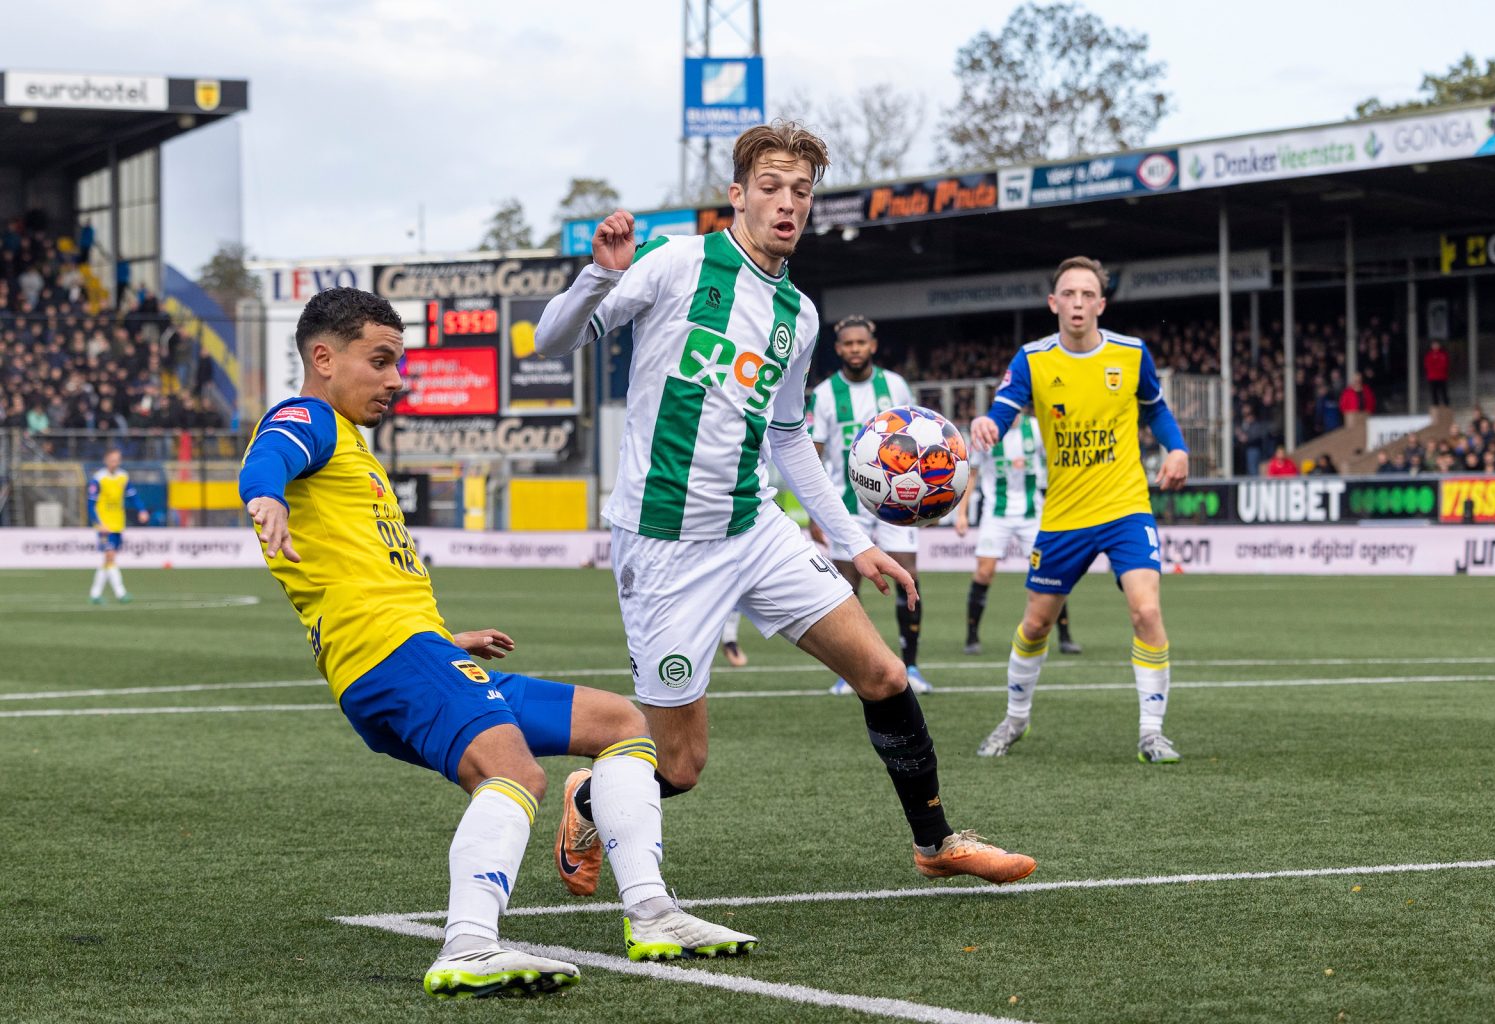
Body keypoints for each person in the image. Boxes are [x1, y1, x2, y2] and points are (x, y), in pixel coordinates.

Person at [535, 120, 1035, 889]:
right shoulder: (676, 262)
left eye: (800, 191)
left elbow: (789, 435)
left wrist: (856, 543)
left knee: (884, 674)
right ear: (737, 196)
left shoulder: (797, 316)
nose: (787, 203)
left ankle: (936, 844)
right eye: (771, 187)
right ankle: (588, 798)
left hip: (754, 527)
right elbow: (551, 341)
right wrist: (598, 277)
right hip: (664, 544)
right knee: (681, 765)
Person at [239, 288, 754, 1001]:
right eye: (380, 361)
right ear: (323, 358)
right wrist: (264, 493)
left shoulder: (352, 446)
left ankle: (653, 914)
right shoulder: (310, 418)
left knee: (621, 725)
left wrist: (445, 639)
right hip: (392, 657)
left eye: (397, 363)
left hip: (413, 652)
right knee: (514, 772)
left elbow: (354, 578)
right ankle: (469, 944)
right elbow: (272, 453)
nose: (396, 379)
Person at [970, 256, 1190, 763]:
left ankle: (1151, 733)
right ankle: (1015, 719)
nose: (1077, 303)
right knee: (1036, 624)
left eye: (1087, 295)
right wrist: (988, 425)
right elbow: (1004, 410)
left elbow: (1155, 408)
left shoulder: (1131, 354)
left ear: (1101, 304)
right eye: (1068, 294)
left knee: (1146, 610)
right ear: (1053, 303)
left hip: (1125, 506)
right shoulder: (1032, 359)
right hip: (1064, 515)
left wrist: (1177, 448)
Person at [807, 314, 933, 694]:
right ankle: (851, 672)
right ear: (838, 348)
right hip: (844, 504)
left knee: (908, 574)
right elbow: (813, 453)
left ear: (873, 346)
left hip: (897, 501)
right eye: (848, 344)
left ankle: (912, 666)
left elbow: (920, 437)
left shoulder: (895, 386)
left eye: (861, 343)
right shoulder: (825, 393)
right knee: (845, 586)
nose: (855, 349)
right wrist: (814, 511)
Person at [953, 410, 1082, 657]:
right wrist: (962, 513)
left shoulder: (1036, 429)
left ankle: (1065, 636)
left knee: (1050, 571)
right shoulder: (986, 431)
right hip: (996, 513)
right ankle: (972, 635)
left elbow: (1057, 464)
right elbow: (972, 474)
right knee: (984, 572)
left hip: (1032, 515)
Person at [87, 447, 147, 603]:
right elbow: (91, 505)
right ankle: (121, 593)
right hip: (104, 525)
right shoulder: (98, 479)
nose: (115, 463)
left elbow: (133, 496)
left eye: (117, 460)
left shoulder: (123, 477)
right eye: (112, 460)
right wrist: (99, 523)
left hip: (118, 523)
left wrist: (141, 510)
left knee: (108, 560)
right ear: (106, 460)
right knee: (110, 556)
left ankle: (94, 594)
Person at [1424, 339, 1450, 408]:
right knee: (1434, 393)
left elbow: (1444, 365)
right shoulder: (1429, 355)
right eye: (1434, 345)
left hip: (1442, 377)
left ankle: (1446, 406)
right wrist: (1435, 366)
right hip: (1432, 377)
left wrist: (1435, 366)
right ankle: (1436, 407)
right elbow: (1428, 365)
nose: (1435, 346)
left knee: (1444, 393)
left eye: (1437, 345)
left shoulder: (1443, 354)